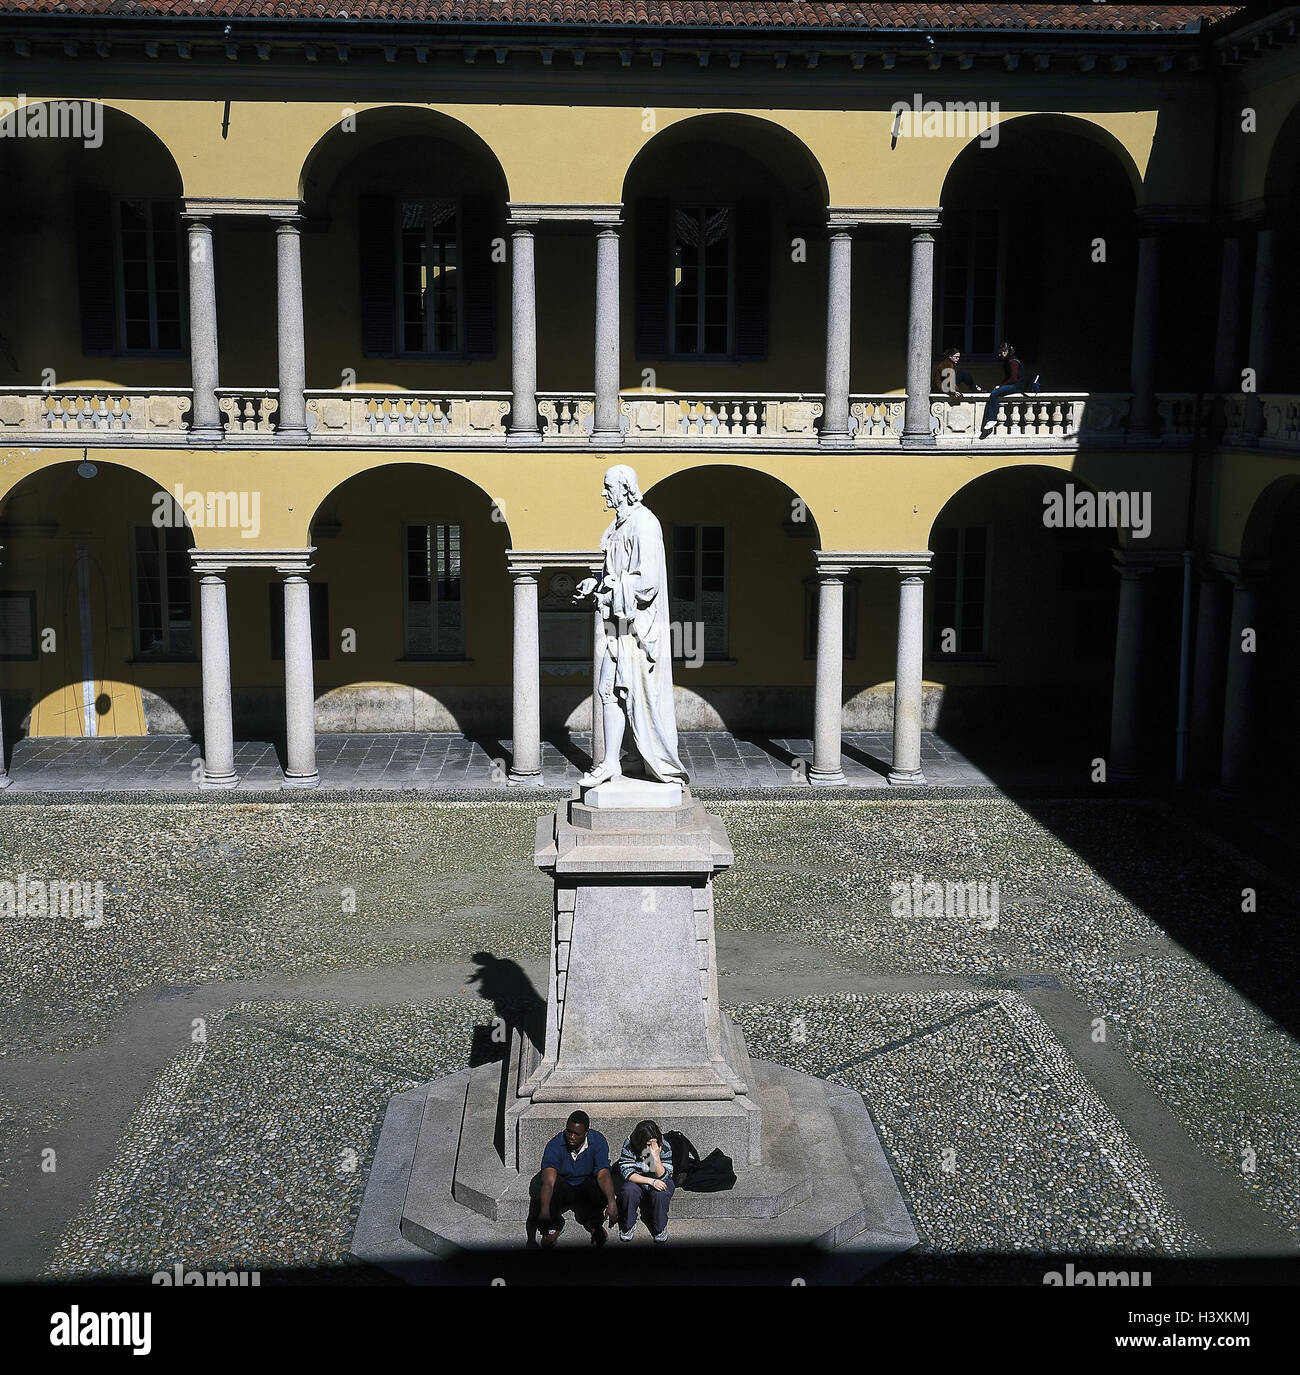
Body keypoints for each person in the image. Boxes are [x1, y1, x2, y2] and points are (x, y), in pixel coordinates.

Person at [575, 465, 688, 788]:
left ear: (625, 488)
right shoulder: (619, 526)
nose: (603, 493)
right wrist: (594, 583)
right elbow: (617, 573)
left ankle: (616, 762)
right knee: (611, 690)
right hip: (619, 622)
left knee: (616, 690)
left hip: (637, 628)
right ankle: (625, 759)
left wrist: (608, 586)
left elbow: (647, 583)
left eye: (608, 486)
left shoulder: (643, 524)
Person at [530, 1110, 619, 1247]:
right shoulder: (555, 1145)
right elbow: (548, 1181)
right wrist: (545, 1209)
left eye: (577, 1134)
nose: (571, 1136)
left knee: (600, 1182)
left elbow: (603, 1172)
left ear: (586, 1133)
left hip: (586, 1187)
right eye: (569, 1131)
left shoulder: (598, 1141)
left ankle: (594, 1223)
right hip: (564, 1187)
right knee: (551, 1184)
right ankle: (555, 1224)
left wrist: (611, 1201)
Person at [616, 1119, 675, 1243]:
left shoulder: (664, 1145)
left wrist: (656, 1158)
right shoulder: (629, 1144)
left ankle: (660, 1227)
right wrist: (650, 1181)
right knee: (629, 1190)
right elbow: (627, 1173)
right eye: (647, 1144)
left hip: (659, 1177)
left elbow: (664, 1177)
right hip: (639, 1179)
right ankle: (628, 1224)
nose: (650, 1147)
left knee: (661, 1192)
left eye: (653, 1143)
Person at [981, 342, 1028, 435]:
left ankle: (992, 419)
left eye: (1000, 352)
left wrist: (1001, 386)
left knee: (994, 394)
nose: (999, 355)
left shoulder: (1013, 361)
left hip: (1017, 386)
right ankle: (991, 418)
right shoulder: (1009, 360)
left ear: (1006, 351)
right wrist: (1001, 385)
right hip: (1015, 385)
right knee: (995, 391)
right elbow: (1009, 378)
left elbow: (1013, 378)